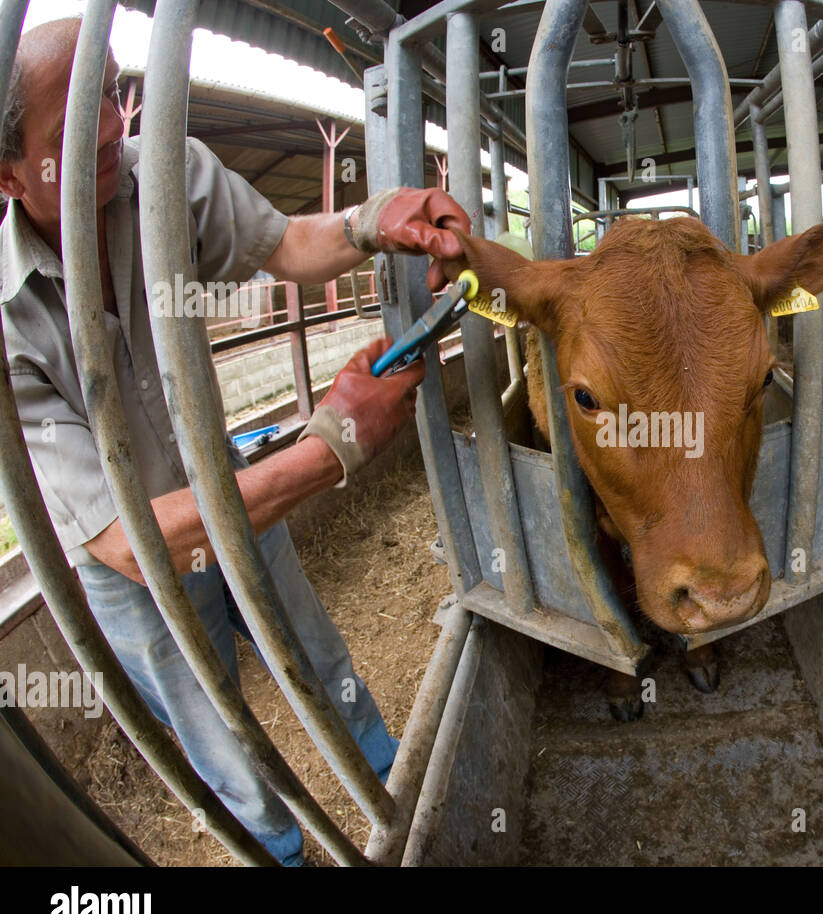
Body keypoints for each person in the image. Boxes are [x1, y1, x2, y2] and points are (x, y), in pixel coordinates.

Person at [0, 18, 471, 865]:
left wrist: (375, 218)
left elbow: (286, 245)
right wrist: (333, 444)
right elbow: (129, 543)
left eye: (109, 91)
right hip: (132, 573)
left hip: (228, 488)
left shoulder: (160, 177)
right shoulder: (5, 324)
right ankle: (278, 852)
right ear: (8, 174)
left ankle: (399, 793)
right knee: (219, 732)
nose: (111, 123)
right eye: (72, 123)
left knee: (318, 658)